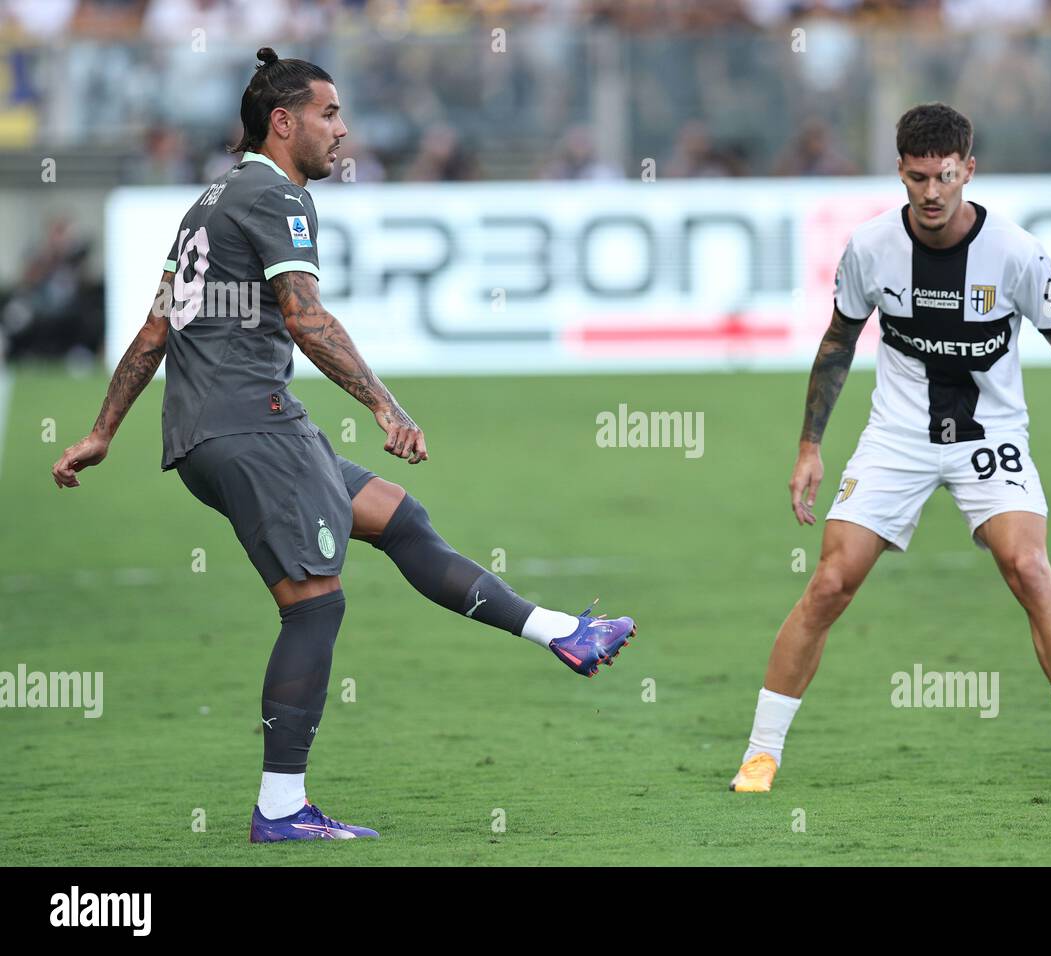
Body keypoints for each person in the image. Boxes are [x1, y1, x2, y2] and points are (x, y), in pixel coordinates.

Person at [52, 48, 636, 843]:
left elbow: (158, 328)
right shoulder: (276, 197)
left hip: (226, 426)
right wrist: (386, 405)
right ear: (283, 122)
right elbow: (306, 317)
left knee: (398, 518)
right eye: (329, 114)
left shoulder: (210, 200)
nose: (343, 129)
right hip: (249, 426)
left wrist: (102, 431)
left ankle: (559, 631)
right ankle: (283, 809)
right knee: (314, 609)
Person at [729, 102, 1051, 795]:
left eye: (945, 176)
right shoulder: (871, 248)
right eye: (918, 178)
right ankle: (761, 755)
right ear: (900, 173)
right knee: (828, 583)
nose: (932, 193)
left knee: (1029, 567)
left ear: (969, 170)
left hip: (990, 439)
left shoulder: (1017, 253)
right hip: (897, 440)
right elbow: (837, 344)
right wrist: (809, 447)